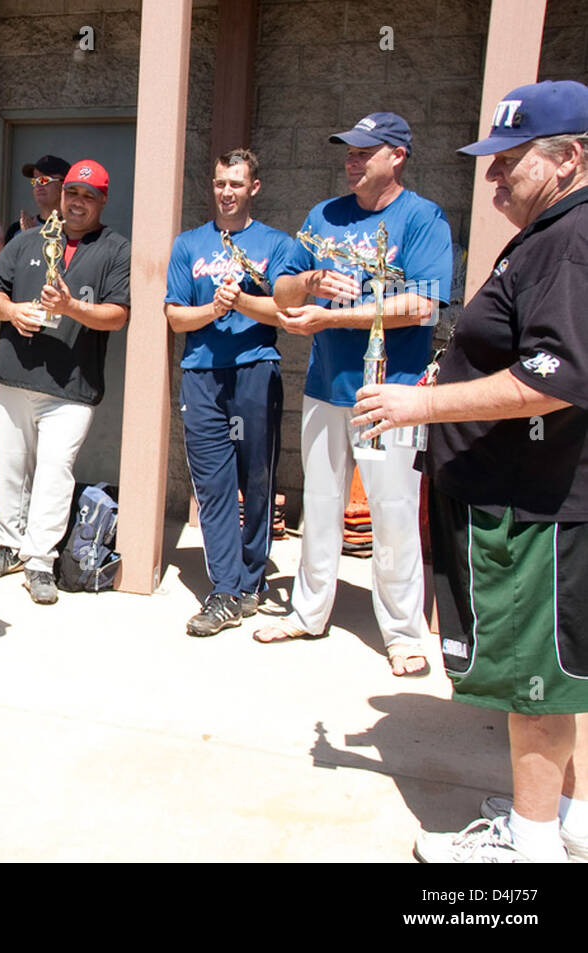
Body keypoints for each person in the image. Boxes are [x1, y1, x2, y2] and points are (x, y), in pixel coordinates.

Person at [351, 81, 588, 863]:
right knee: (557, 676)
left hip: (535, 505)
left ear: (570, 159)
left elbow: (554, 374)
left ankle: (528, 846)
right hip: (538, 494)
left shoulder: (567, 241)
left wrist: (423, 407)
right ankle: (564, 817)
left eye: (509, 164)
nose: (493, 181)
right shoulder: (555, 231)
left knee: (532, 681)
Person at [258, 113, 453, 678]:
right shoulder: (325, 216)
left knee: (393, 512)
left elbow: (422, 305)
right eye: (347, 151)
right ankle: (307, 612)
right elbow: (283, 287)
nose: (351, 160)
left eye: (364, 151)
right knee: (319, 507)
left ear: (397, 156)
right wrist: (312, 286)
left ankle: (403, 634)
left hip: (393, 391)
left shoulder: (422, 218)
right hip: (326, 388)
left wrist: (335, 317)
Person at [0, 159, 130, 605]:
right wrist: (13, 311)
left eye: (88, 196)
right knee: (9, 466)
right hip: (15, 377)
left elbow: (118, 316)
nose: (77, 203)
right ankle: (10, 546)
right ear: (62, 198)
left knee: (53, 473)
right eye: (72, 195)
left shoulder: (115, 249)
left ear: (102, 200)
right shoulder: (27, 240)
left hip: (71, 388)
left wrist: (71, 308)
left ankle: (40, 560)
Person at [164, 148, 293, 636]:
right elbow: (176, 316)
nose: (227, 192)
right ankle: (224, 590)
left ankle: (252, 578)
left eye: (236, 183)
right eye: (220, 183)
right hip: (202, 375)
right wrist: (216, 311)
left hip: (256, 368)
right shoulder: (189, 245)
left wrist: (243, 301)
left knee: (257, 478)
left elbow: (285, 313)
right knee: (213, 485)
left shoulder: (277, 245)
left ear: (253, 187)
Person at [0, 155, 71, 524]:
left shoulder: (74, 230)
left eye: (48, 178)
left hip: (59, 359)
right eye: (34, 180)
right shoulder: (18, 229)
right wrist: (1, 242)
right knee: (3, 430)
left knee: (51, 446)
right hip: (15, 351)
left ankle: (36, 515)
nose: (39, 185)